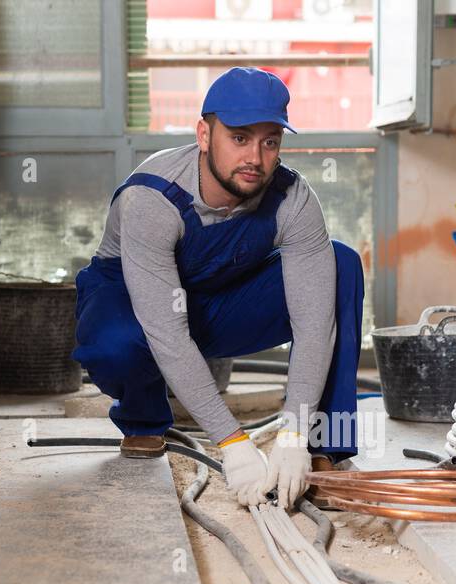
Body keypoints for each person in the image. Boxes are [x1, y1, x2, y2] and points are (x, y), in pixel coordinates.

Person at [71, 67, 364, 508]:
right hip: (134, 303)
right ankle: (143, 418)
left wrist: (295, 431)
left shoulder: (293, 199)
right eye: (240, 138)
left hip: (222, 299)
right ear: (204, 135)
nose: (256, 158)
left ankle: (325, 446)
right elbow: (166, 332)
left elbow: (313, 323)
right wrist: (231, 442)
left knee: (341, 264)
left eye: (270, 142)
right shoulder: (151, 197)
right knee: (115, 343)